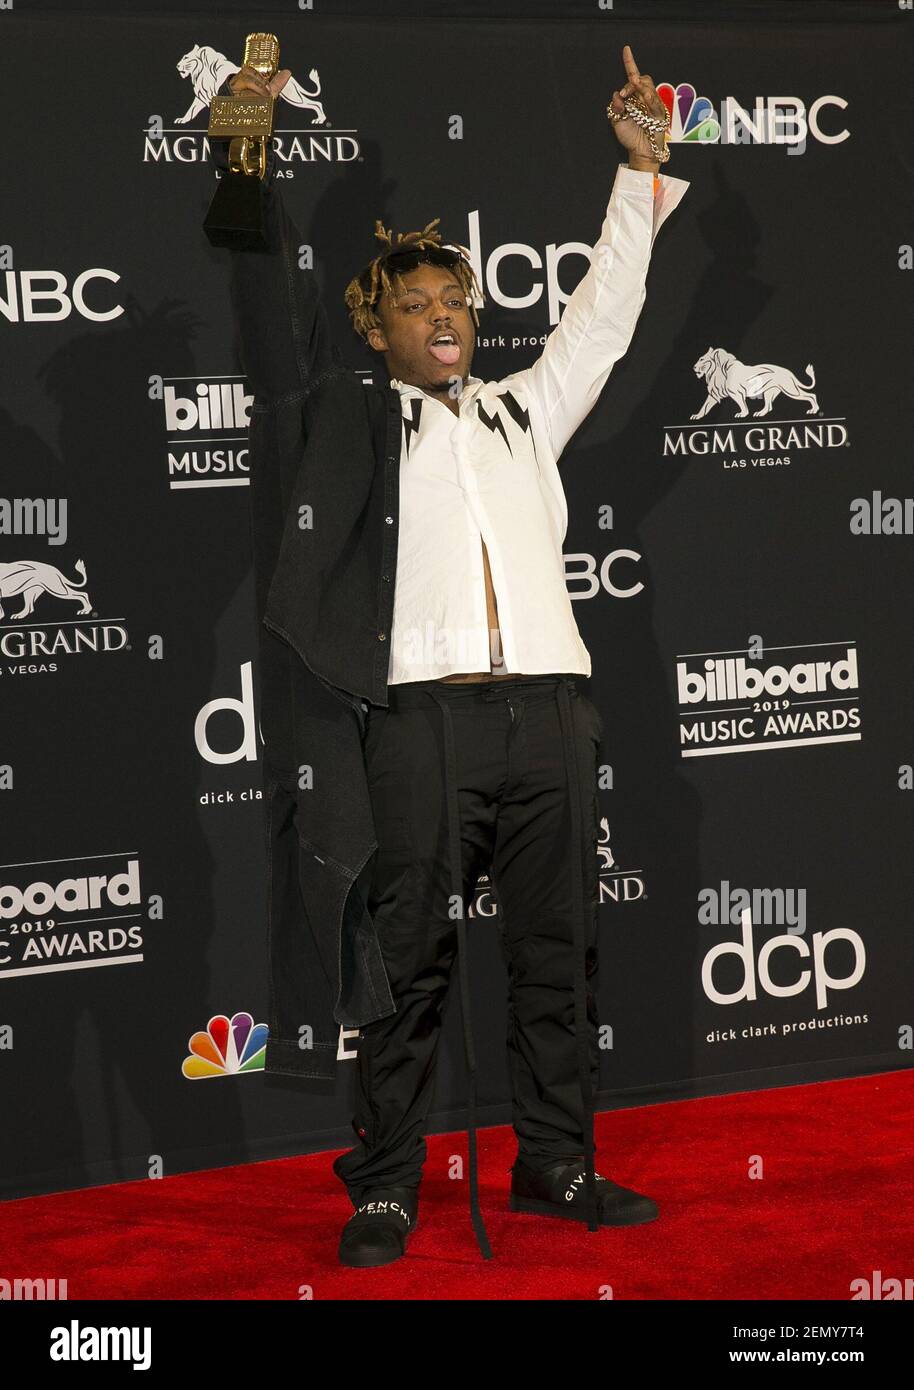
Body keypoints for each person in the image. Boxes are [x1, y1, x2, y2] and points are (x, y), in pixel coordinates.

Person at [213, 43, 689, 1269]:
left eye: (457, 302)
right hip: (416, 724)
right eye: (417, 305)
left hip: (548, 718)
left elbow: (603, 318)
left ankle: (555, 1165)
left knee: (555, 958)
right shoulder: (351, 422)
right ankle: (382, 1186)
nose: (444, 318)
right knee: (406, 964)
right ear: (379, 328)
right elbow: (271, 316)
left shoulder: (528, 411)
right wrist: (247, 161)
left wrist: (637, 176)